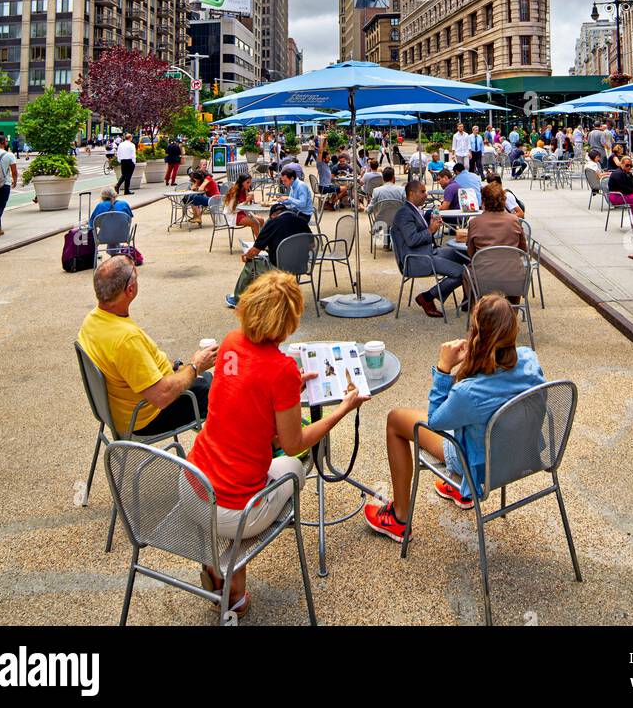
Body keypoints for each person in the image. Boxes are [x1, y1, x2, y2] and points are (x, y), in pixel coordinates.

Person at [190, 271, 366, 613]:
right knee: (295, 468)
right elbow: (293, 440)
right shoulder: (280, 368)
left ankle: (225, 573)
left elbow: (245, 395)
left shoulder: (229, 342)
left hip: (193, 481)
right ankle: (230, 568)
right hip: (231, 508)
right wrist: (343, 409)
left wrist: (287, 393)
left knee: (270, 465)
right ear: (287, 320)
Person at [364, 294, 546, 536]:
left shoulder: (468, 392)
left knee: (396, 419)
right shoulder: (529, 359)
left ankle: (399, 517)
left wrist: (443, 368)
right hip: (519, 452)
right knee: (469, 422)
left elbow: (436, 420)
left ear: (476, 335)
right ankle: (456, 488)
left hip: (479, 464)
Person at [78, 255, 216, 437]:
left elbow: (135, 367)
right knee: (226, 390)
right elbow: (162, 396)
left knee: (207, 378)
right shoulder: (126, 339)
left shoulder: (92, 320)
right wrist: (196, 365)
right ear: (130, 290)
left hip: (123, 409)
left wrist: (177, 367)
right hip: (147, 418)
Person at [391, 180, 470, 318]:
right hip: (416, 259)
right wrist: (430, 230)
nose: (426, 195)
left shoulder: (413, 210)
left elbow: (419, 233)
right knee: (461, 273)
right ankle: (427, 297)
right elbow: (412, 240)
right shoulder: (404, 213)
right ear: (411, 193)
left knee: (464, 256)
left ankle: (467, 300)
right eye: (422, 192)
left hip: (428, 252)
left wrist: (432, 225)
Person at [466, 182, 529, 261]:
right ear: (503, 201)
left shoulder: (474, 223)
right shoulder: (514, 220)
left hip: (483, 271)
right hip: (513, 270)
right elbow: (523, 249)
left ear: (483, 202)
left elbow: (471, 253)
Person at [223, 175, 263, 240]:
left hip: (243, 213)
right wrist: (246, 201)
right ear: (242, 182)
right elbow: (231, 210)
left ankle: (261, 240)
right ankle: (260, 244)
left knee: (261, 220)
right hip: (233, 215)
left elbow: (247, 206)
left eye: (250, 182)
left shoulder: (245, 190)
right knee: (256, 222)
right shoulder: (234, 192)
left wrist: (251, 200)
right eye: (247, 182)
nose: (249, 185)